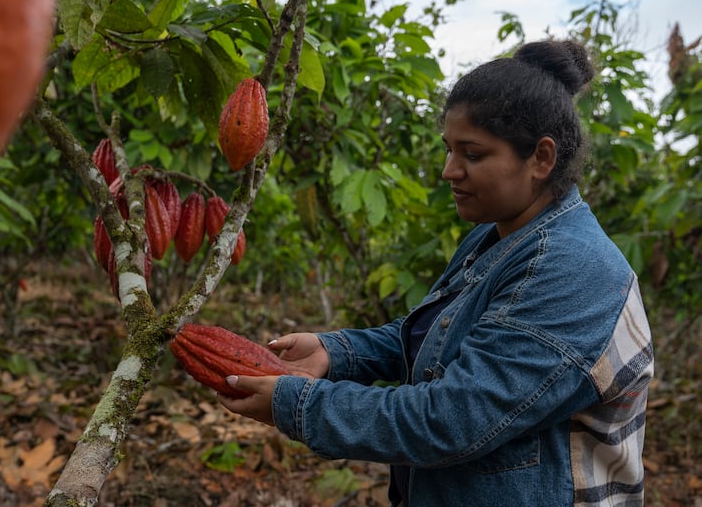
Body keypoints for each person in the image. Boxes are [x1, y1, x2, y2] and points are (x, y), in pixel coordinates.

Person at [218, 39, 654, 507]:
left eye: (473, 154)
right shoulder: (498, 235)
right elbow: (437, 337)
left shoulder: (573, 268)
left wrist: (298, 405)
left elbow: (450, 420)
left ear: (541, 159)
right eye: (449, 150)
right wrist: (337, 351)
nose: (449, 171)